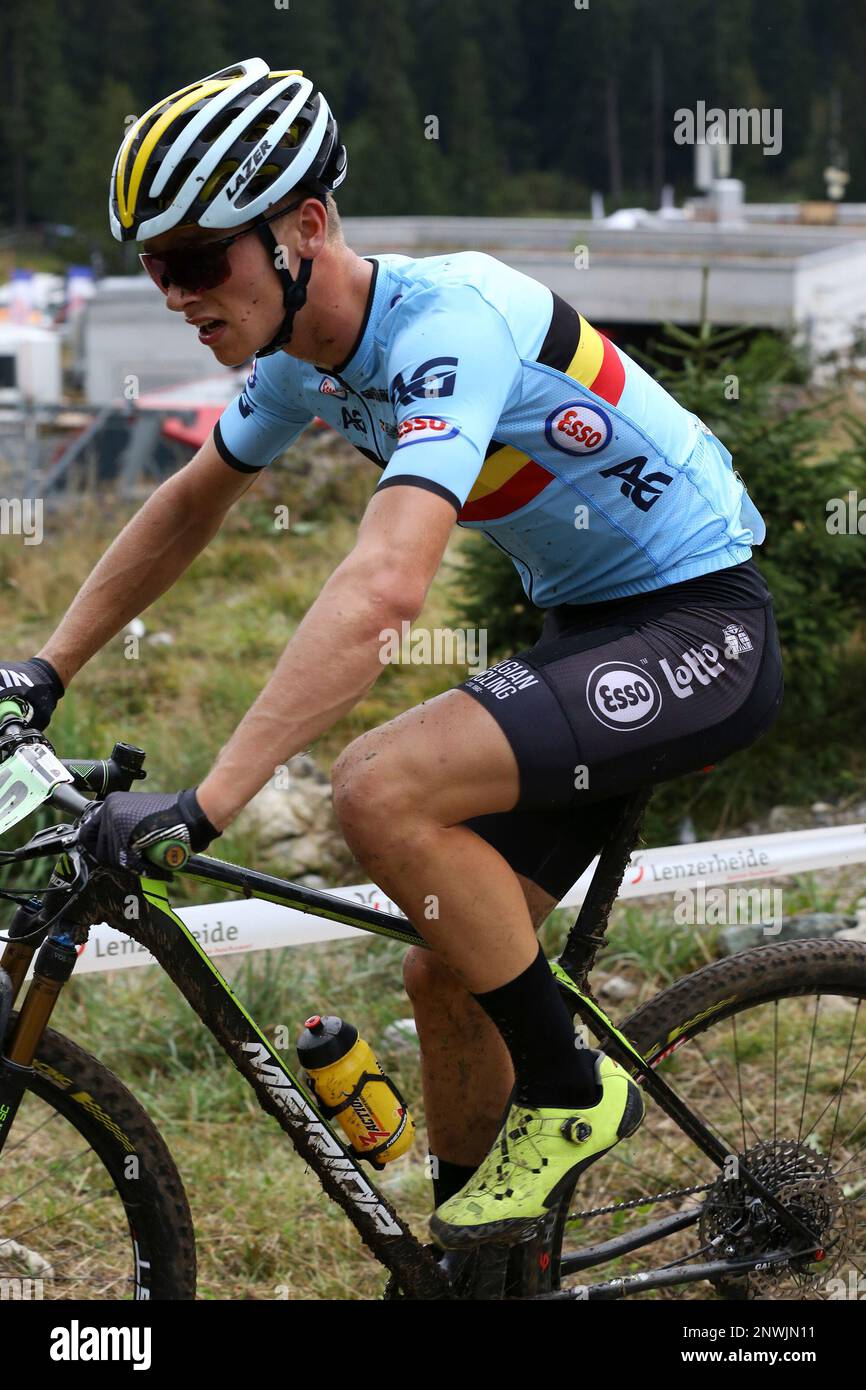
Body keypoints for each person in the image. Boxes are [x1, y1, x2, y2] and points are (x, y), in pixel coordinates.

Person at [6, 58, 783, 1251]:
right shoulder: (298, 358)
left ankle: (571, 1095)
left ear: (302, 230)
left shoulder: (448, 326)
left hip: (698, 624)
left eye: (197, 261)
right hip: (589, 627)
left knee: (378, 784)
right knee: (445, 976)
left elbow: (382, 590)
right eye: (155, 267)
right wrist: (42, 669)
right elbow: (191, 500)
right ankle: (481, 1263)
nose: (175, 294)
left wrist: (208, 804)